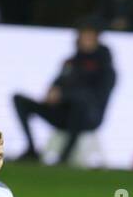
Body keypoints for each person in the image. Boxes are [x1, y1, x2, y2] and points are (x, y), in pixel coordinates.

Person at [11, 25, 116, 165]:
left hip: (88, 117)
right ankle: (31, 149)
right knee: (19, 99)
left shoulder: (105, 68)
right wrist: (52, 93)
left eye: (89, 36)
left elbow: (95, 97)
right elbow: (57, 83)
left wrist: (64, 95)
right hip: (62, 114)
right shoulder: (70, 62)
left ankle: (65, 156)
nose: (85, 40)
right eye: (83, 35)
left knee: (79, 104)